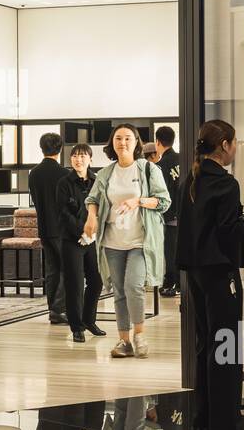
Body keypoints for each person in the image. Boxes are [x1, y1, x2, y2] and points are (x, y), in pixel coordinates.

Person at [177, 119, 244, 430]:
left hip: (196, 273)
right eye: (235, 143)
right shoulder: (227, 184)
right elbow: (229, 233)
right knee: (225, 345)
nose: (236, 149)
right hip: (221, 273)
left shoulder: (191, 179)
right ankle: (227, 424)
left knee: (206, 345)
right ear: (225, 145)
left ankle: (204, 418)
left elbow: (197, 229)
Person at [83, 123, 170, 359]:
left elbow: (164, 202)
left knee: (133, 286)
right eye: (118, 138)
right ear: (112, 142)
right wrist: (91, 216)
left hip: (140, 240)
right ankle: (124, 341)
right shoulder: (105, 173)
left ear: (136, 143)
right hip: (112, 241)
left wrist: (139, 201)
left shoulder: (148, 169)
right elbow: (92, 199)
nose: (123, 143)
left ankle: (139, 334)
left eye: (128, 138)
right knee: (119, 291)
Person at [56, 143, 104, 342]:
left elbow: (102, 206)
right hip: (72, 240)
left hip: (93, 239)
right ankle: (77, 327)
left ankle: (89, 320)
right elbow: (63, 213)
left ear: (90, 159)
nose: (78, 159)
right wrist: (82, 231)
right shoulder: (64, 183)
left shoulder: (97, 180)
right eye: (74, 156)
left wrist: (92, 233)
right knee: (74, 284)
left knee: (96, 281)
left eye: (83, 155)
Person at [28, 131, 69, 324]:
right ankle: (59, 310)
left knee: (52, 269)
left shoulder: (34, 174)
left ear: (41, 148)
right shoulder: (64, 174)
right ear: (60, 149)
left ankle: (53, 309)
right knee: (66, 268)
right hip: (61, 228)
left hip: (44, 226)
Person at [152, 126, 181, 298]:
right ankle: (179, 282)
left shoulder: (161, 166)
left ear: (157, 142)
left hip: (170, 215)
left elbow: (162, 192)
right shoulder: (184, 159)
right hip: (185, 214)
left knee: (170, 252)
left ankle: (171, 283)